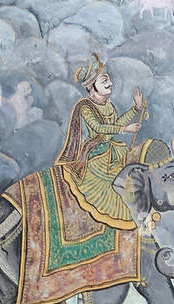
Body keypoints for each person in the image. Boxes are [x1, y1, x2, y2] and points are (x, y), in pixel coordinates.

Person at [54, 53, 146, 229]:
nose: (109, 83)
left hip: (112, 149)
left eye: (108, 80)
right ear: (91, 87)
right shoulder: (86, 107)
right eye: (104, 81)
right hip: (96, 153)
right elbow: (99, 128)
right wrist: (125, 130)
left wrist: (135, 108)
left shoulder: (109, 105)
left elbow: (115, 124)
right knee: (108, 190)